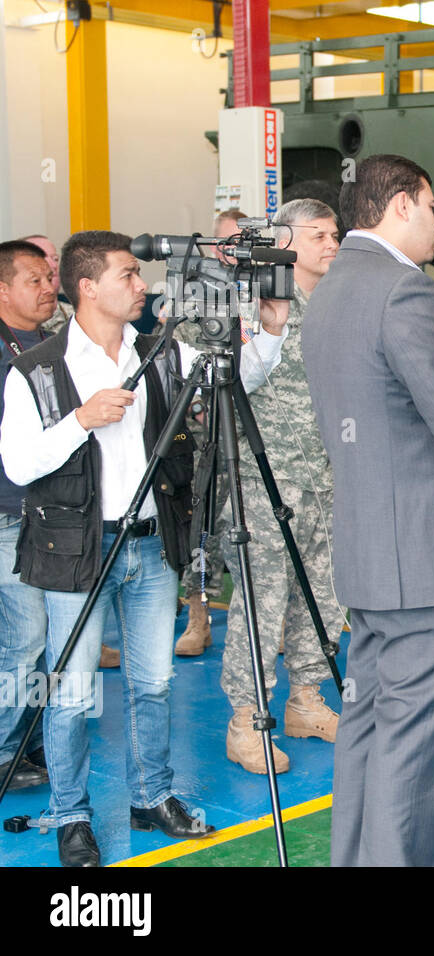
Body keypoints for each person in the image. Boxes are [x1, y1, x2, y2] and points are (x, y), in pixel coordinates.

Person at [0, 230, 288, 867]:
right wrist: (80, 421)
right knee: (71, 693)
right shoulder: (38, 369)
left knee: (153, 684)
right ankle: (72, 814)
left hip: (153, 546)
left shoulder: (160, 352)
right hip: (78, 551)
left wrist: (269, 329)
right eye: (128, 275)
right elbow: (18, 465)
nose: (141, 286)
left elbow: (237, 379)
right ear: (87, 287)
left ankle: (152, 795)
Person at [301, 154, 434, 866]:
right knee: (413, 751)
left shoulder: (330, 289)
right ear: (398, 206)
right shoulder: (405, 292)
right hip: (422, 562)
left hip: (369, 555)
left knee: (368, 727)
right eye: (431, 207)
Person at [220, 198, 346, 774]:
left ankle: (305, 701)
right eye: (318, 234)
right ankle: (247, 721)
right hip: (265, 479)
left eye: (335, 233)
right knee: (261, 604)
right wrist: (270, 327)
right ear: (285, 242)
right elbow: (234, 381)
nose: (331, 242)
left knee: (322, 599)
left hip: (326, 480)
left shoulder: (338, 304)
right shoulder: (255, 303)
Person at [171, 209, 245, 657]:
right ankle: (198, 618)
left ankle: (258, 618)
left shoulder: (271, 300)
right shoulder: (193, 304)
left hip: (257, 436)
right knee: (200, 529)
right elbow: (181, 367)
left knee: (255, 530)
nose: (233, 251)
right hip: (203, 439)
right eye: (227, 242)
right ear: (214, 248)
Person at [0, 240, 59, 792]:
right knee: (25, 637)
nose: (48, 288)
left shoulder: (53, 342)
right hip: (7, 516)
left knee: (44, 640)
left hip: (48, 513)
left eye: (49, 278)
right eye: (34, 280)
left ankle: (32, 741)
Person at [20, 235, 71, 334]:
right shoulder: (9, 321)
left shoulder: (79, 318)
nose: (53, 265)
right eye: (42, 258)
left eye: (55, 259)